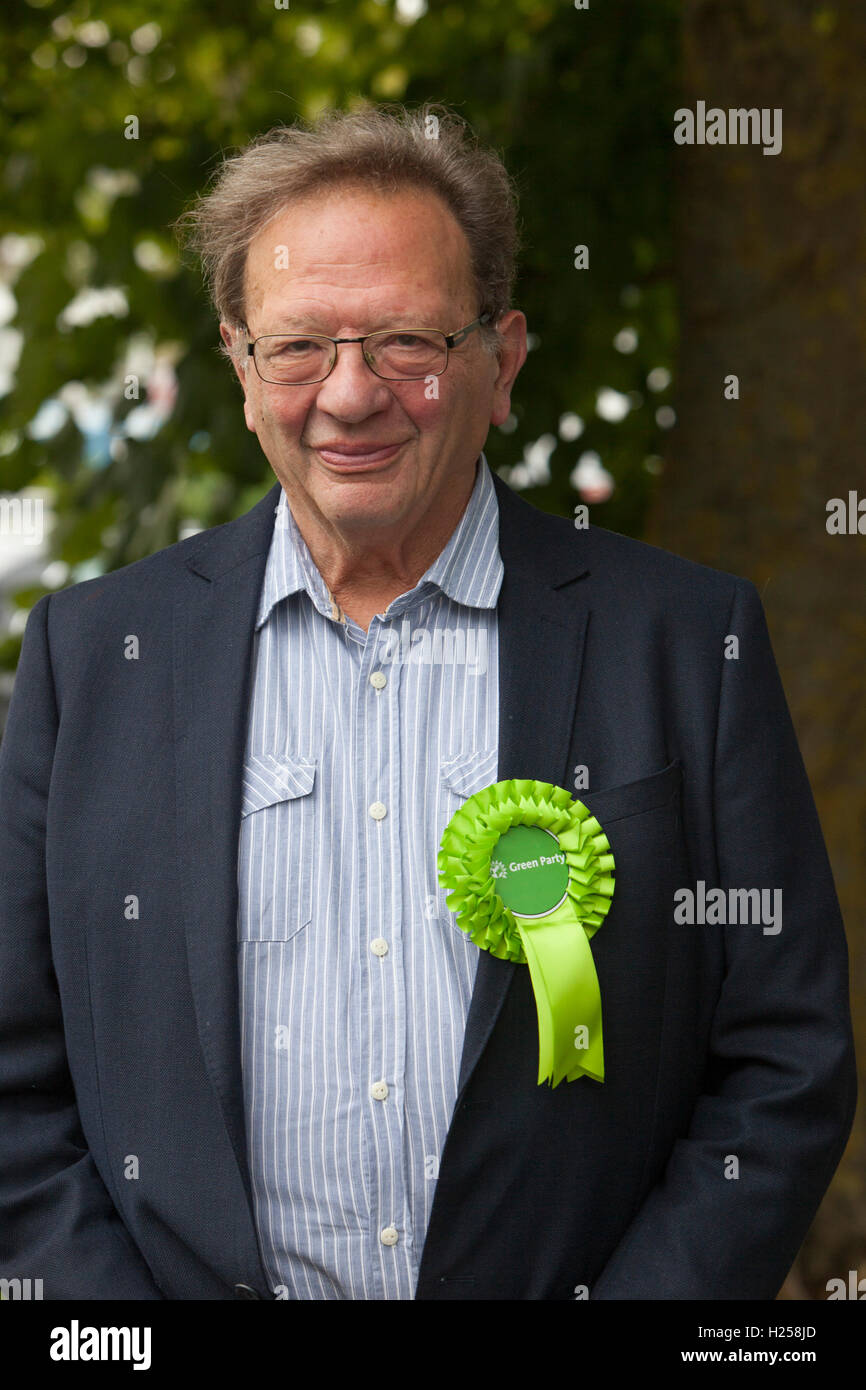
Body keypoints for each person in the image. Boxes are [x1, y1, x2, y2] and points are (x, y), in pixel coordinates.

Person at [0, 103, 855, 1301]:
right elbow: (17, 1093)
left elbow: (782, 1062)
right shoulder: (95, 657)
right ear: (242, 374)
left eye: (406, 341)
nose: (349, 396)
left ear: (499, 363)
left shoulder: (682, 639)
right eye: (297, 348)